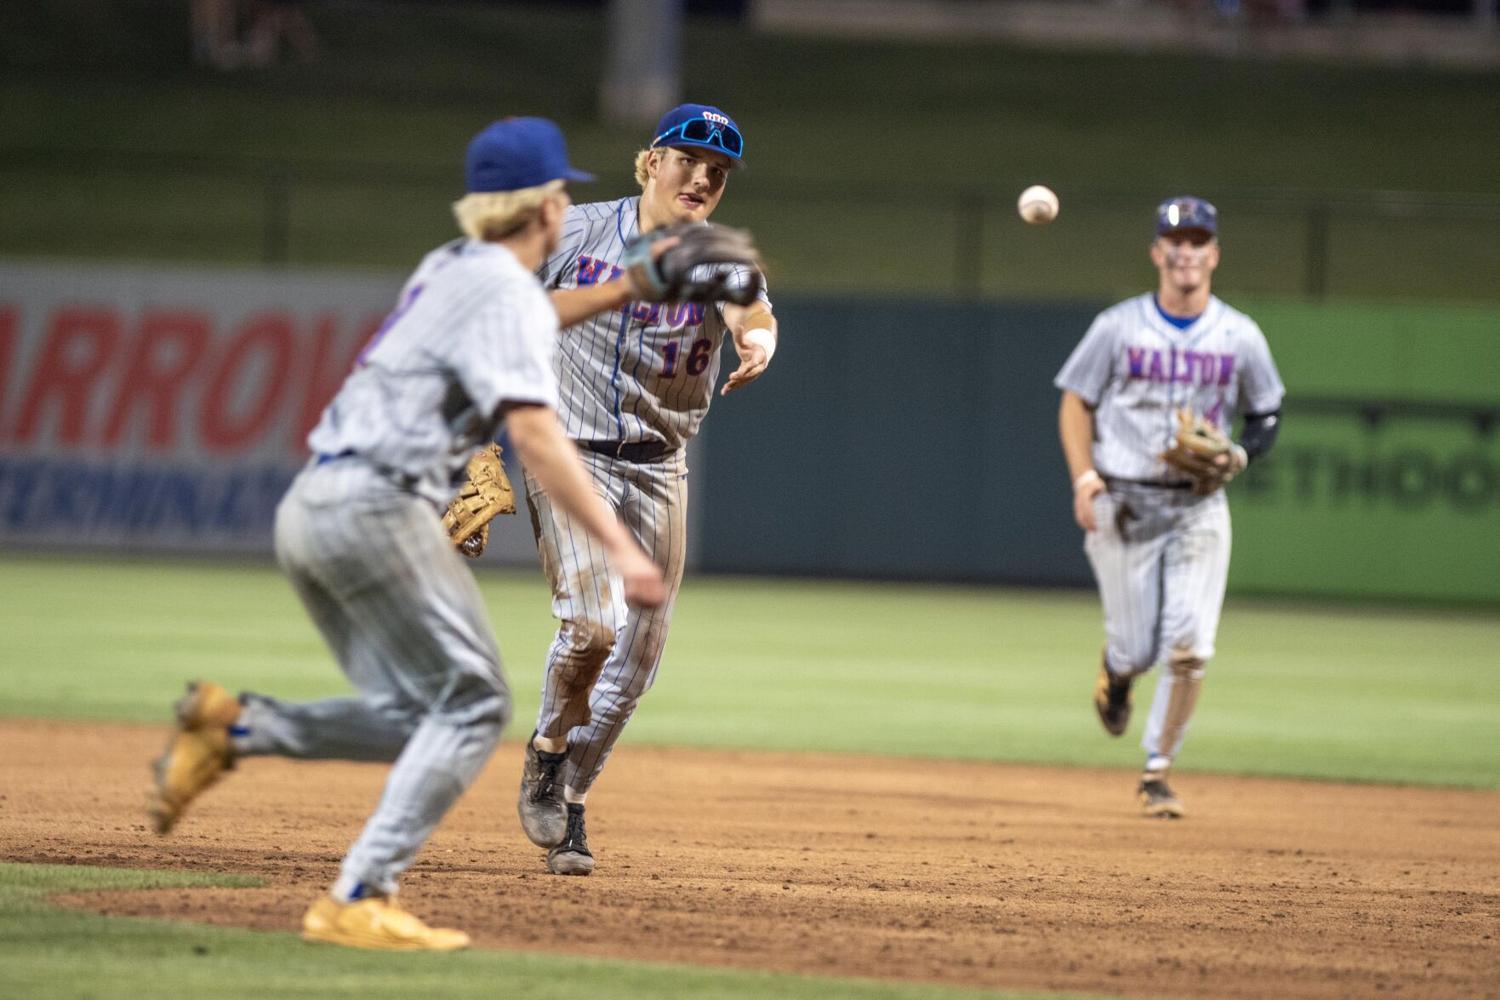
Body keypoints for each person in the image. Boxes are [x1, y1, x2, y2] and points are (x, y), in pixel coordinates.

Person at [146, 116, 670, 951]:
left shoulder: (451, 267)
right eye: (558, 191)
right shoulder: (503, 291)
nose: (565, 203)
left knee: (416, 713)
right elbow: (536, 433)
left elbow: (517, 330)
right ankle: (359, 893)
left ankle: (234, 728)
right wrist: (622, 548)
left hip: (316, 505)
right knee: (474, 705)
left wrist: (617, 288)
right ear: (540, 207)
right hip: (377, 510)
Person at [514, 103, 777, 876]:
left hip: (660, 463)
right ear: (651, 161)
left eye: (718, 171)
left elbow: (750, 309)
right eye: (689, 159)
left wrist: (759, 342)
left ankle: (569, 802)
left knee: (636, 660)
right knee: (593, 628)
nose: (702, 177)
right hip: (569, 455)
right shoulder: (576, 233)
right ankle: (546, 751)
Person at [1054, 196, 1284, 818]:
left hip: (1199, 507)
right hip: (1123, 502)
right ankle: (1118, 672)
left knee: (1190, 648)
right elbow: (1076, 401)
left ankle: (1157, 771)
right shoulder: (1118, 326)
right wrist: (1084, 480)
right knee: (1136, 649)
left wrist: (1240, 455)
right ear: (1158, 252)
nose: (1187, 250)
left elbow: (1266, 413)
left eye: (1198, 240)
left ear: (1214, 253)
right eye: (1175, 240)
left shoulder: (1240, 334)